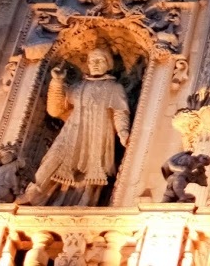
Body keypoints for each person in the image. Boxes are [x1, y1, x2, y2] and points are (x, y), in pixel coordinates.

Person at [21, 46, 131, 206]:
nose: (95, 64)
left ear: (108, 64)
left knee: (92, 168)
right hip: (71, 133)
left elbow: (120, 112)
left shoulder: (114, 88)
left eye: (100, 60)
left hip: (98, 133)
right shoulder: (78, 87)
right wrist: (57, 83)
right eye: (92, 60)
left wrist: (123, 132)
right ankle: (33, 194)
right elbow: (55, 110)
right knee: (52, 159)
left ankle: (85, 202)